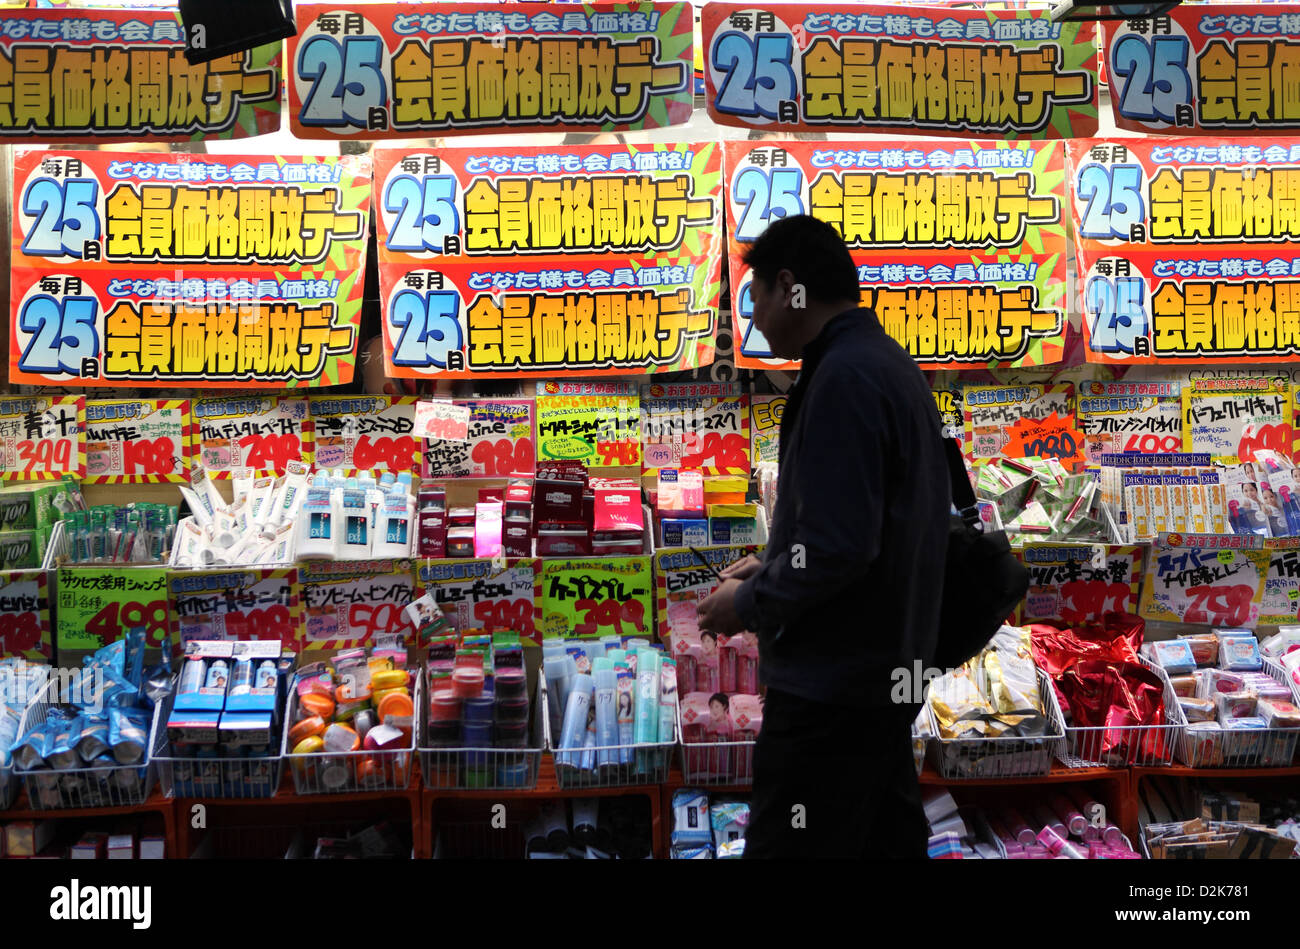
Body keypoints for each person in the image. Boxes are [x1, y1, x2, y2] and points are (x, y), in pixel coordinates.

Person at [696, 214, 950, 859]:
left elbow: (840, 547)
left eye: (754, 297)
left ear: (789, 286)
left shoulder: (844, 378)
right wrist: (775, 559)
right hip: (881, 677)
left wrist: (746, 604)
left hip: (833, 693)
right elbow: (864, 526)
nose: (752, 317)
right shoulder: (883, 363)